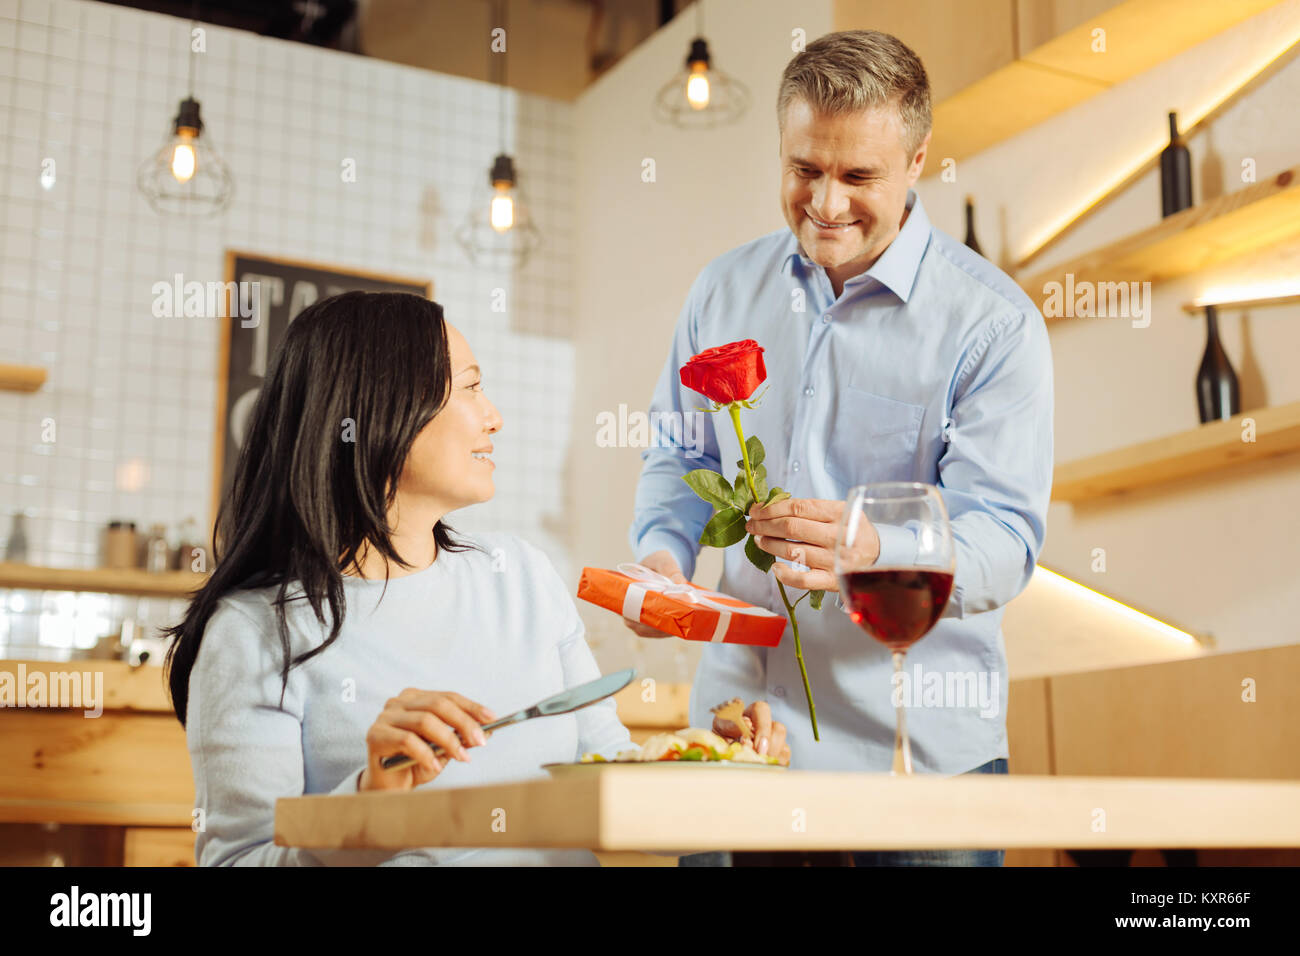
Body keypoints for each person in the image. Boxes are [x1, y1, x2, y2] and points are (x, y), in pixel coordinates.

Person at [628, 30, 1054, 867]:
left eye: (858, 176)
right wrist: (663, 556)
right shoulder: (722, 289)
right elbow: (682, 456)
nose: (825, 204)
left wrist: (877, 553)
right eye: (804, 170)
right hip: (744, 741)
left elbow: (1005, 541)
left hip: (924, 761)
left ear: (919, 160)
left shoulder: (994, 327)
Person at [164, 291, 782, 866]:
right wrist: (368, 807)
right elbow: (238, 860)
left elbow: (604, 770)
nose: (494, 418)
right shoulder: (254, 632)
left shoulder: (522, 577)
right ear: (379, 407)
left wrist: (709, 760)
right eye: (471, 389)